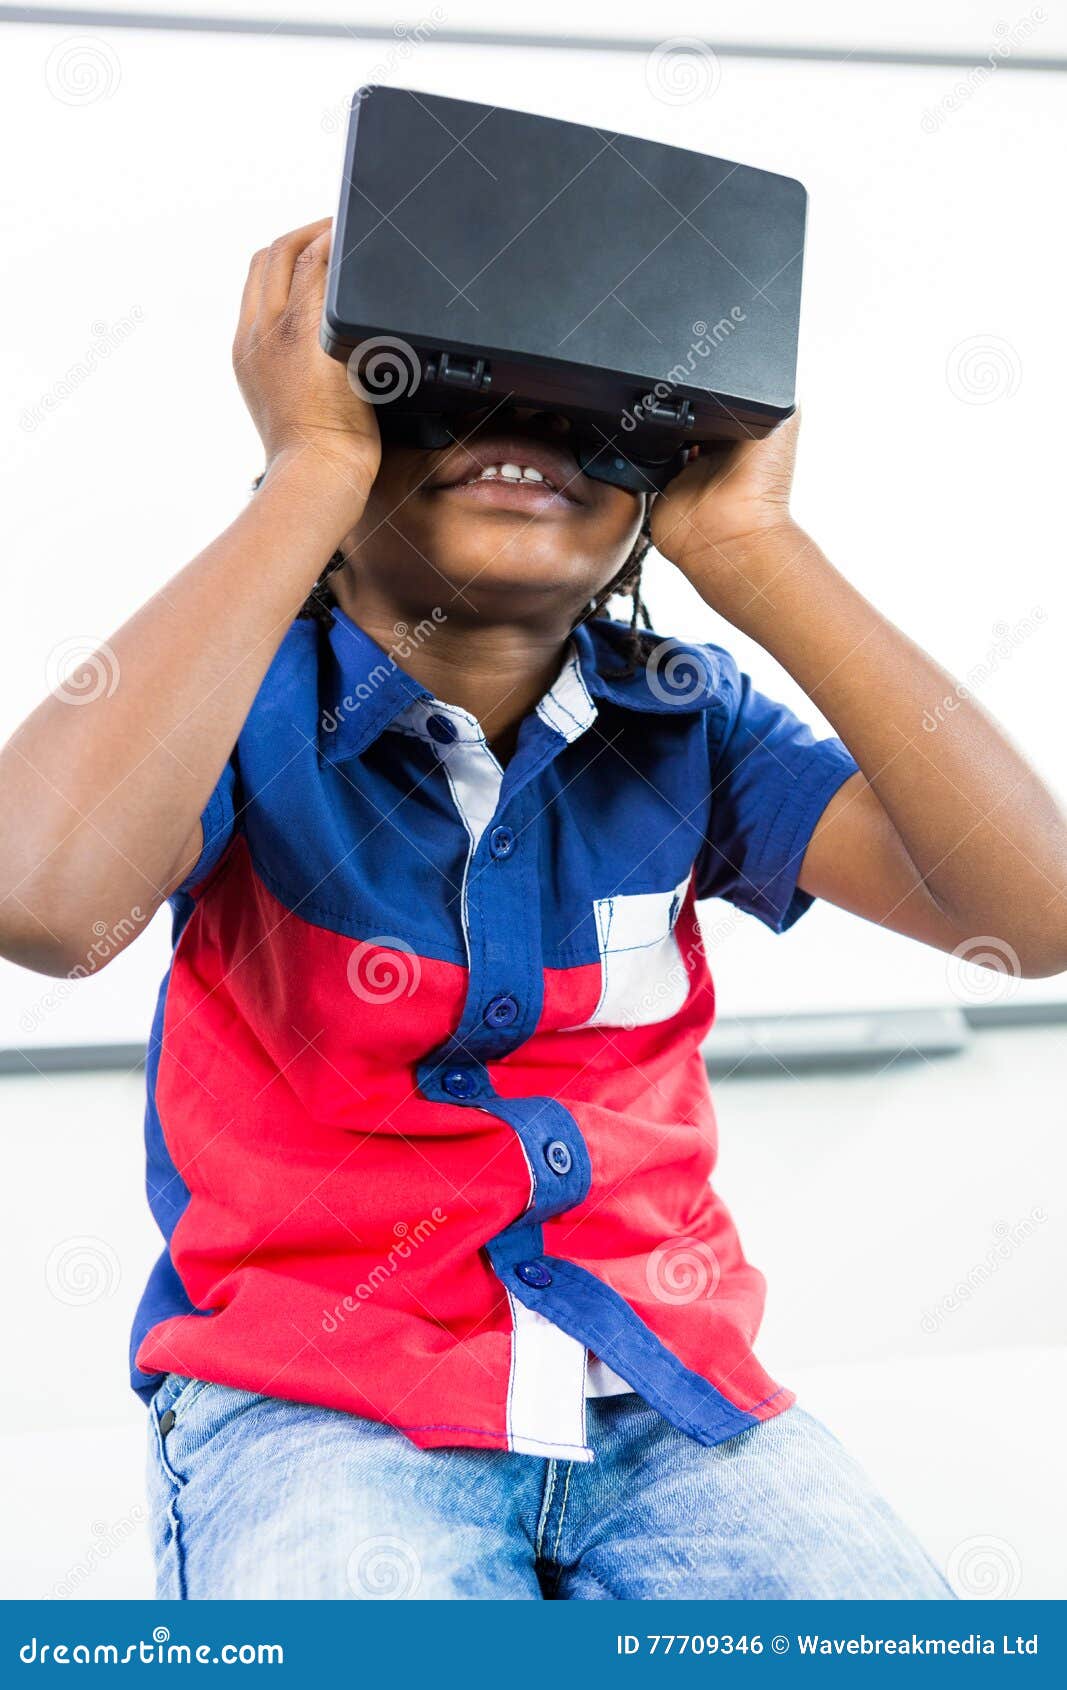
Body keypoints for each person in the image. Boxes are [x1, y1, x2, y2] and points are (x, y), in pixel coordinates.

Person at [3, 220, 1065, 1600]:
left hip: (668, 1392)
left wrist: (756, 546)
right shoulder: (239, 710)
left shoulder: (689, 724)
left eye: (592, 413)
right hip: (323, 1395)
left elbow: (1033, 912)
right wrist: (306, 471)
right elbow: (43, 901)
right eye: (442, 385)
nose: (528, 430)